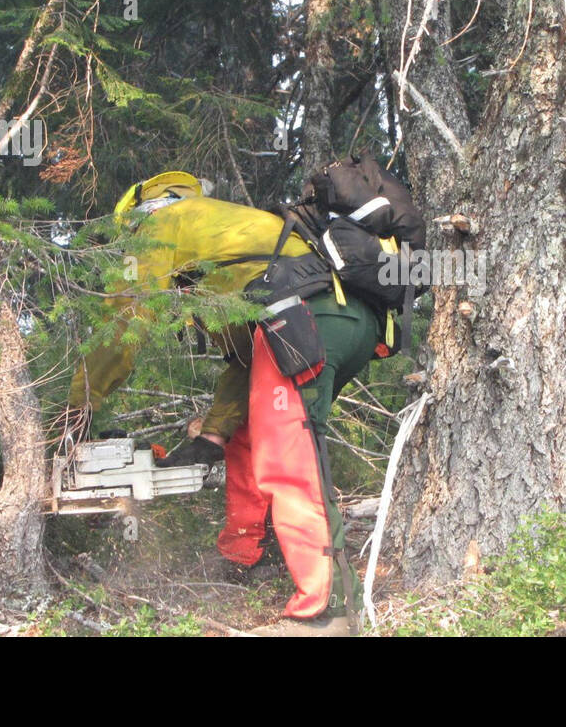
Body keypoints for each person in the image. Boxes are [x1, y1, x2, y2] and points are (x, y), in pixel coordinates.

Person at [66, 170, 394, 636]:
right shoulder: (222, 235)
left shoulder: (164, 226)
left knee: (289, 457)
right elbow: (246, 358)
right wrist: (216, 432)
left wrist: (78, 409)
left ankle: (327, 614)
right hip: (345, 321)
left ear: (137, 219)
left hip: (305, 317)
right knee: (251, 435)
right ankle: (250, 557)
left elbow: (123, 320)